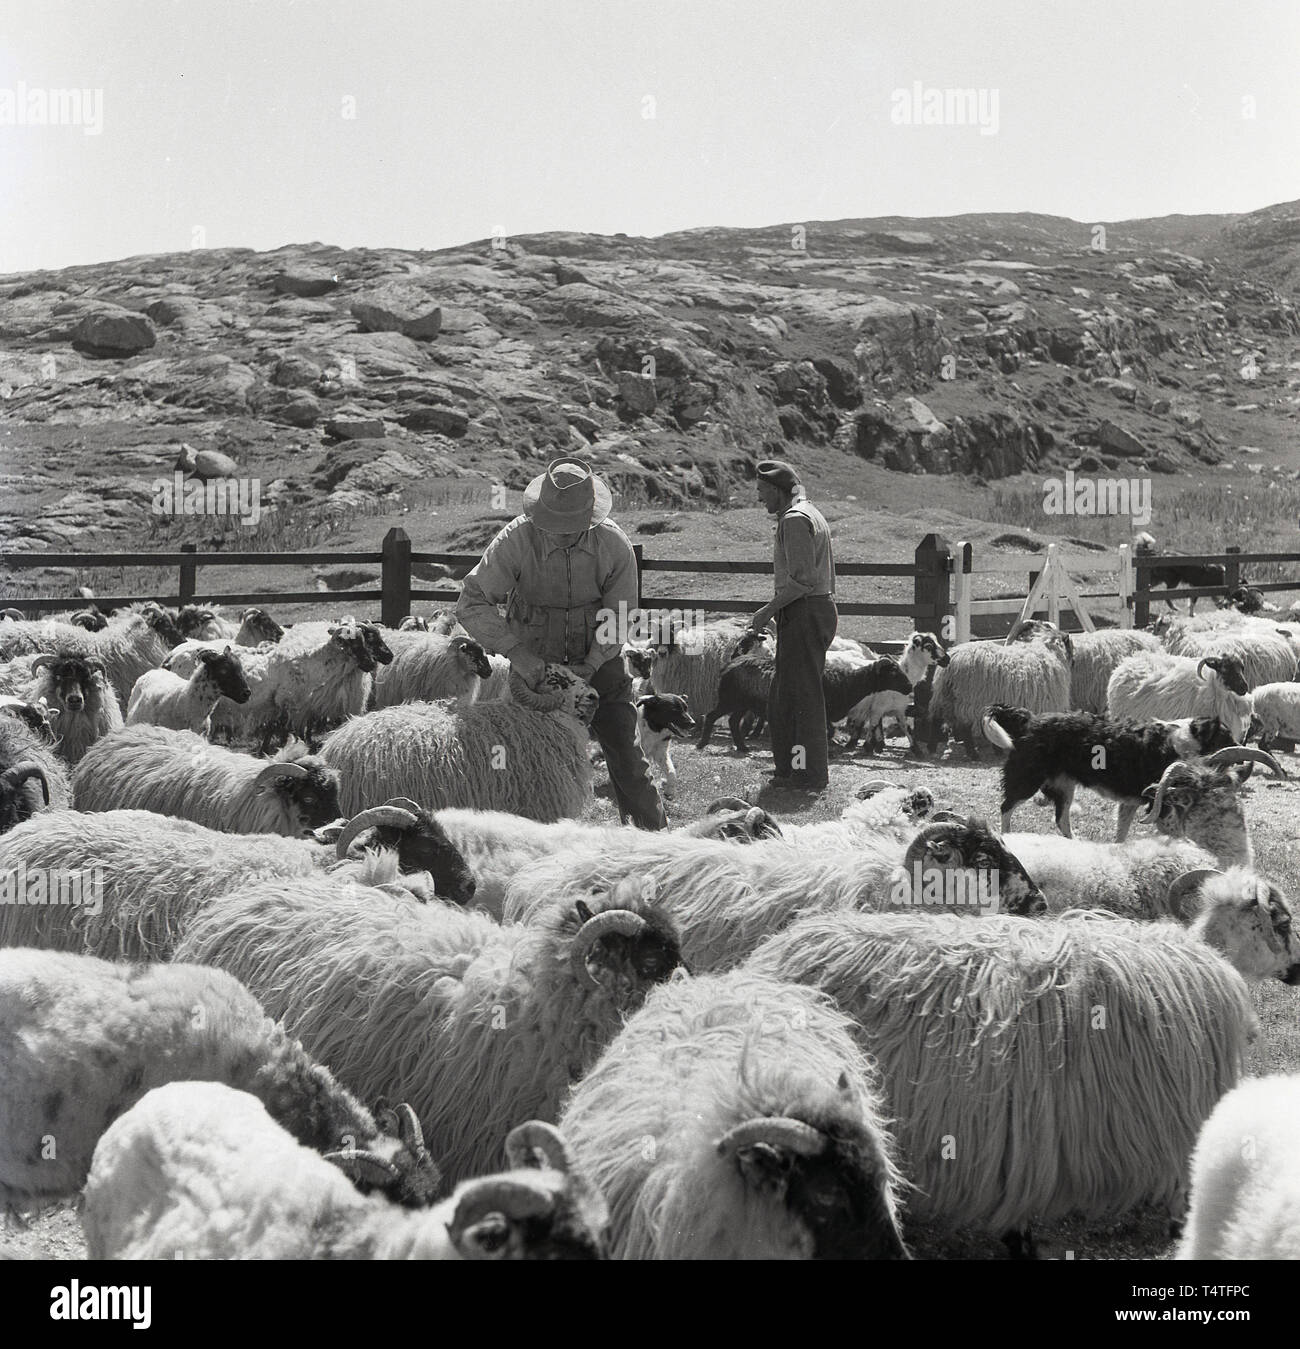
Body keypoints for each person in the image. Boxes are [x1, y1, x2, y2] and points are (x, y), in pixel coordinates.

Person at [456, 458, 667, 831]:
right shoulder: (515, 540)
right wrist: (517, 654)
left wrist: (593, 662)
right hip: (534, 668)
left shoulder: (614, 545)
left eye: (572, 528)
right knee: (516, 757)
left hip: (600, 667)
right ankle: (516, 840)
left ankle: (656, 842)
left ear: (590, 517)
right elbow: (472, 602)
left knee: (626, 756)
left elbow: (620, 614)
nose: (562, 534)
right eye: (553, 526)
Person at [745, 459, 837, 792]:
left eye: (761, 491)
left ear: (775, 490)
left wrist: (766, 611)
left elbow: (803, 581)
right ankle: (790, 769)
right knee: (787, 695)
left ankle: (807, 775)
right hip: (809, 612)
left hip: (804, 613)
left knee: (802, 699)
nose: (759, 499)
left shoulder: (795, 521)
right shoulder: (809, 513)